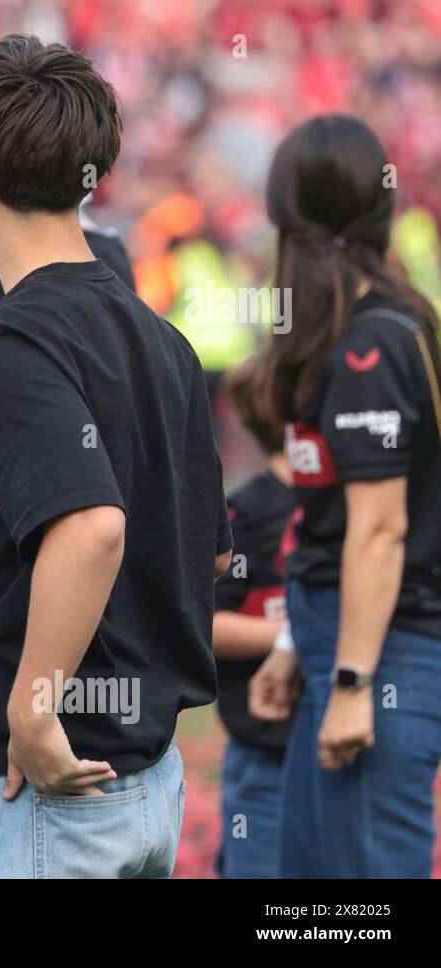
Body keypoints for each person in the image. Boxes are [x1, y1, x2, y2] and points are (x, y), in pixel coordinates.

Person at [0, 34, 231, 879]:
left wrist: (33, 706)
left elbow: (92, 527)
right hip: (142, 783)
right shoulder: (162, 339)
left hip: (29, 790)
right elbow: (212, 550)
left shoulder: (13, 336)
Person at [249, 114, 441, 878]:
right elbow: (334, 522)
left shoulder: (373, 342)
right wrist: (300, 646)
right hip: (345, 642)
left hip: (383, 652)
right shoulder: (357, 329)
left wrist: (358, 683)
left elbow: (379, 532)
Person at [212, 355, 296, 878]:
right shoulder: (247, 515)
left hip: (344, 748)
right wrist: (299, 635)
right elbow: (208, 623)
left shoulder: (353, 508)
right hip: (266, 754)